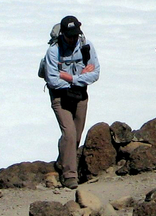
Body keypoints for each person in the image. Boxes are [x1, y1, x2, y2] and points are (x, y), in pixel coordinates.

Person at [42, 15, 100, 189]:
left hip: (80, 96)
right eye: (70, 36)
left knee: (75, 135)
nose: (73, 39)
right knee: (69, 133)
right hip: (60, 98)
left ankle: (62, 162)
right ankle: (69, 176)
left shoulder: (85, 46)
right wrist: (81, 76)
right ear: (63, 34)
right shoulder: (53, 51)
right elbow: (53, 80)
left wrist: (71, 78)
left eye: (76, 35)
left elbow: (95, 73)